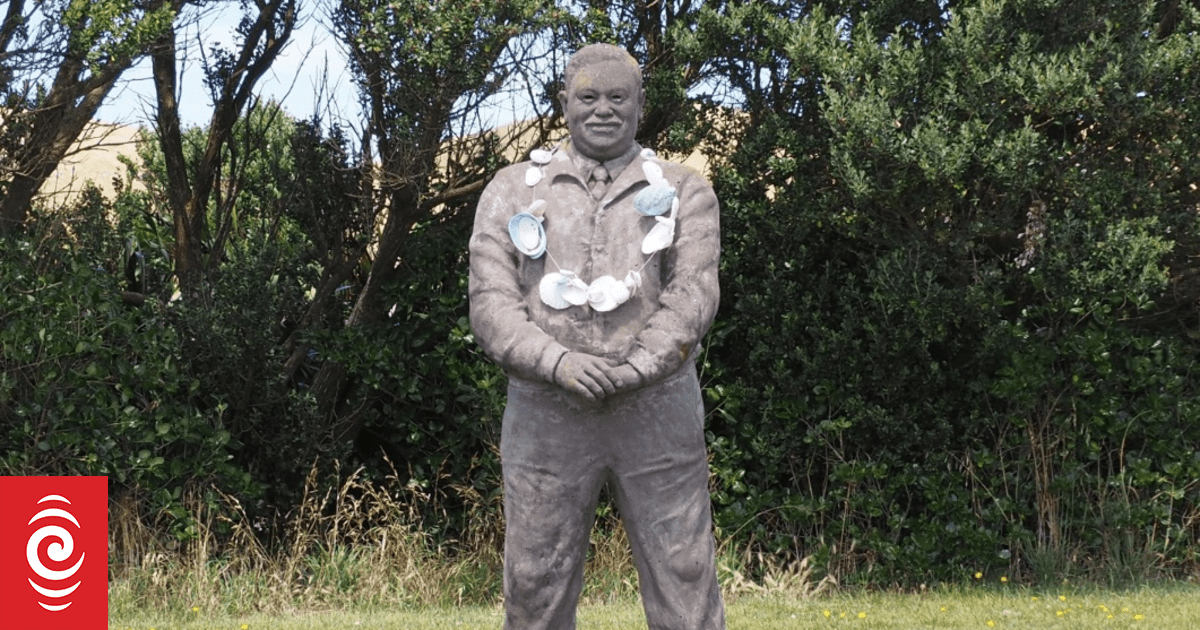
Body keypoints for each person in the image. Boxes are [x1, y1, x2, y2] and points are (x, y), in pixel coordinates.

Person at [468, 43, 724, 630]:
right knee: (535, 580)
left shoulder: (686, 191)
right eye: (587, 97)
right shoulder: (511, 191)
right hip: (545, 412)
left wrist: (637, 367)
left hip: (657, 410)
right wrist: (556, 362)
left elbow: (694, 295)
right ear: (564, 103)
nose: (602, 110)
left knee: (683, 571)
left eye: (617, 97)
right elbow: (490, 304)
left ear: (640, 105)